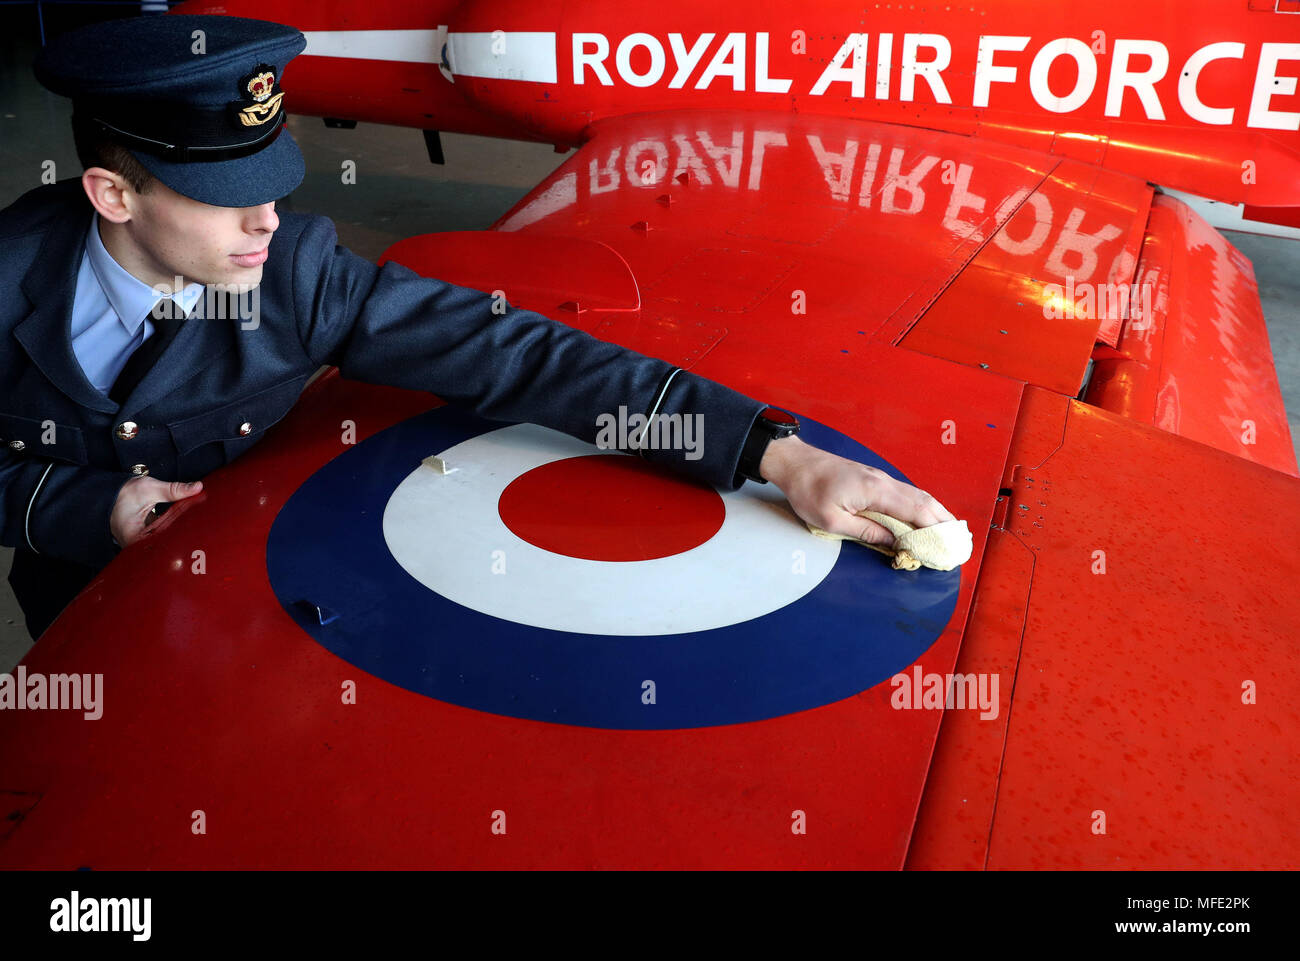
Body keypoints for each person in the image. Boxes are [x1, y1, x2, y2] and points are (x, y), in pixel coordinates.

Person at [0, 13, 956, 639]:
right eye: (226, 197)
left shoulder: (293, 276)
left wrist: (780, 457)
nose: (268, 221)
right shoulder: (9, 278)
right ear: (111, 193)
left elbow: (521, 356)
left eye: (273, 185)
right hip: (68, 614)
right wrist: (83, 509)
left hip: (238, 612)